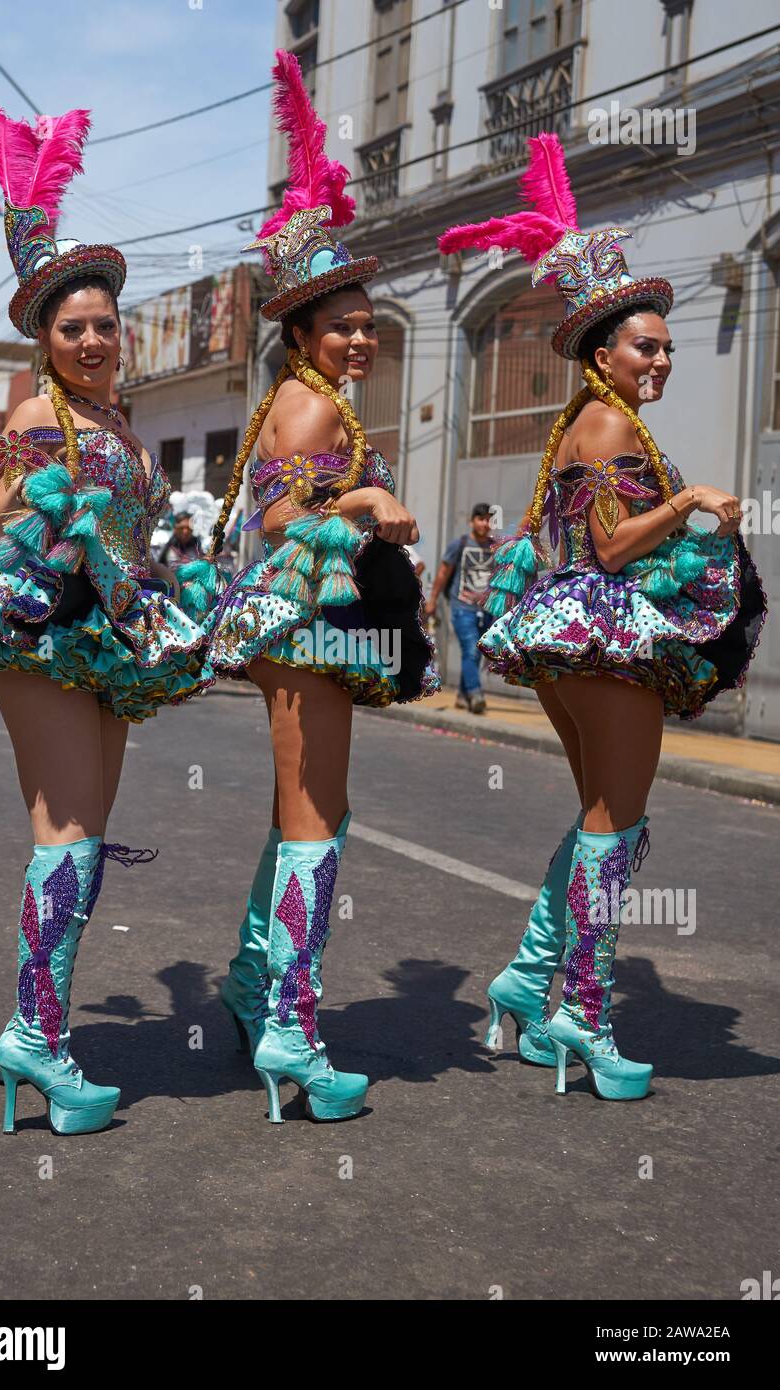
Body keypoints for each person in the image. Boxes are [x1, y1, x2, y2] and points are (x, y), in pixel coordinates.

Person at [439, 133, 765, 1102]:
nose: (659, 357)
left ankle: (529, 980)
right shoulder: (612, 423)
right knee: (614, 827)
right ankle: (582, 1012)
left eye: (664, 344)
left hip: (568, 642)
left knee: (597, 822)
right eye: (645, 344)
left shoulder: (578, 425)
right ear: (600, 351)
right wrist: (692, 499)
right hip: (606, 641)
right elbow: (615, 548)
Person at [0, 103, 215, 1136]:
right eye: (72, 326)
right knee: (67, 830)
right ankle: (36, 1039)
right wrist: (54, 500)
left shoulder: (117, 421)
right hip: (41, 625)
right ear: (44, 340)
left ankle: (37, 1032)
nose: (92, 337)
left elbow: (129, 540)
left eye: (103, 323)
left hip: (113, 629)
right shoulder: (38, 417)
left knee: (84, 840)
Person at [181, 52, 438, 1124]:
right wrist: (366, 508)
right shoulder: (310, 403)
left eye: (366, 323)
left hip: (311, 624)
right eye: (340, 323)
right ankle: (286, 1026)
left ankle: (256, 990)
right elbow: (277, 518)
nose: (358, 336)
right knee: (313, 819)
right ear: (297, 331)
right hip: (306, 619)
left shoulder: (311, 397)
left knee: (312, 812)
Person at [426, 502, 496, 712]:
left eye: (488, 519)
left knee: (476, 651)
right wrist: (432, 599)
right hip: (462, 606)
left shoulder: (496, 547)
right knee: (470, 649)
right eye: (480, 518)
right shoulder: (460, 544)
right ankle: (475, 695)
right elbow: (443, 573)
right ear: (472, 521)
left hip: (486, 609)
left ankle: (462, 695)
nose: (484, 523)